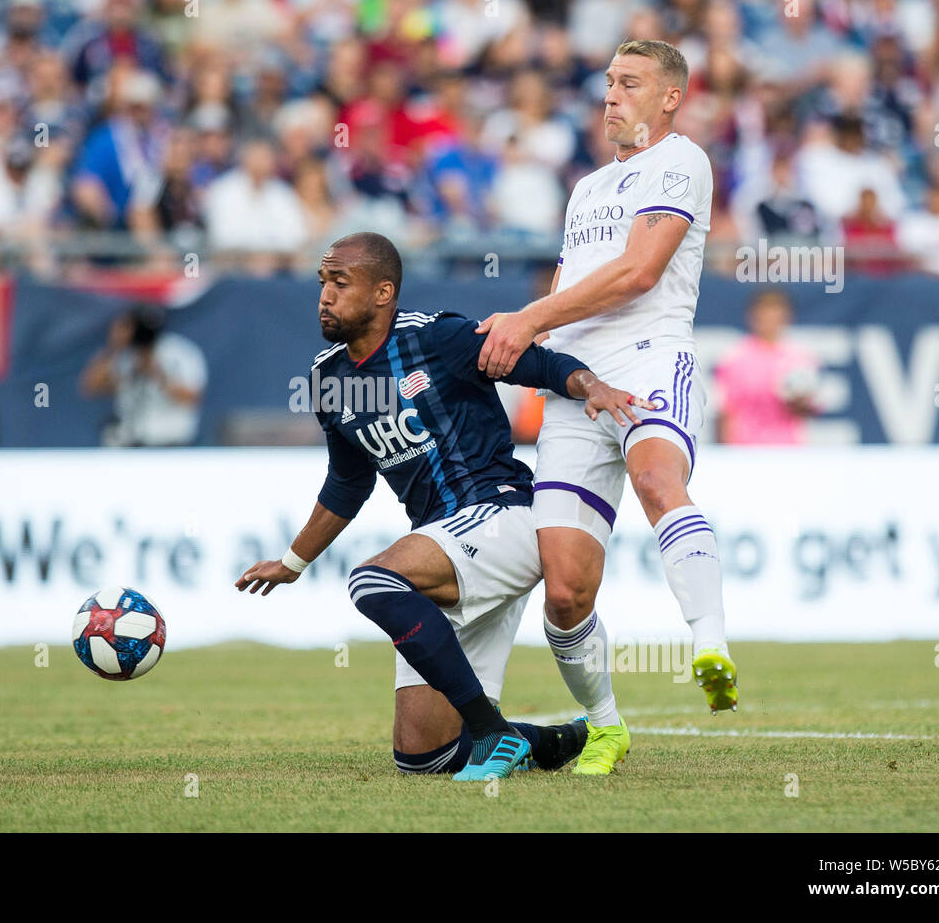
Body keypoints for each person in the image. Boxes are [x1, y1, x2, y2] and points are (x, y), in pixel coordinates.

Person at [235, 232, 653, 781]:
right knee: (425, 756)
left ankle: (491, 730)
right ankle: (560, 740)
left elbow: (540, 365)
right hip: (449, 550)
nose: (325, 296)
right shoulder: (328, 378)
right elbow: (348, 480)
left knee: (373, 582)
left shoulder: (439, 338)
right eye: (322, 283)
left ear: (383, 292)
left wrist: (588, 384)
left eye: (340, 282)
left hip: (503, 516)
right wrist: (292, 562)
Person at [475, 40, 734, 776]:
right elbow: (566, 293)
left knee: (658, 481)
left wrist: (526, 315)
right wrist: (526, 346)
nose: (612, 95)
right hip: (576, 388)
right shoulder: (586, 189)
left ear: (672, 96)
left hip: (650, 357)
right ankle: (607, 727)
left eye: (630, 83)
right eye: (608, 83)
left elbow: (638, 272)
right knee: (564, 591)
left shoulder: (681, 161)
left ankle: (710, 645)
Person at [79, 305, 206, 447]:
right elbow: (91, 387)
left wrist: (159, 375)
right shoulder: (124, 355)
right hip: (131, 444)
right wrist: (114, 347)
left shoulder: (178, 353)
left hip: (172, 446)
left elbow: (192, 398)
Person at [714, 289, 819, 446]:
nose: (770, 319)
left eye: (776, 313)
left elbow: (806, 410)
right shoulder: (734, 357)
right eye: (764, 313)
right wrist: (725, 451)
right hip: (743, 450)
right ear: (752, 316)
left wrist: (798, 401)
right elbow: (725, 410)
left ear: (787, 316)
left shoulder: (800, 357)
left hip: (788, 450)